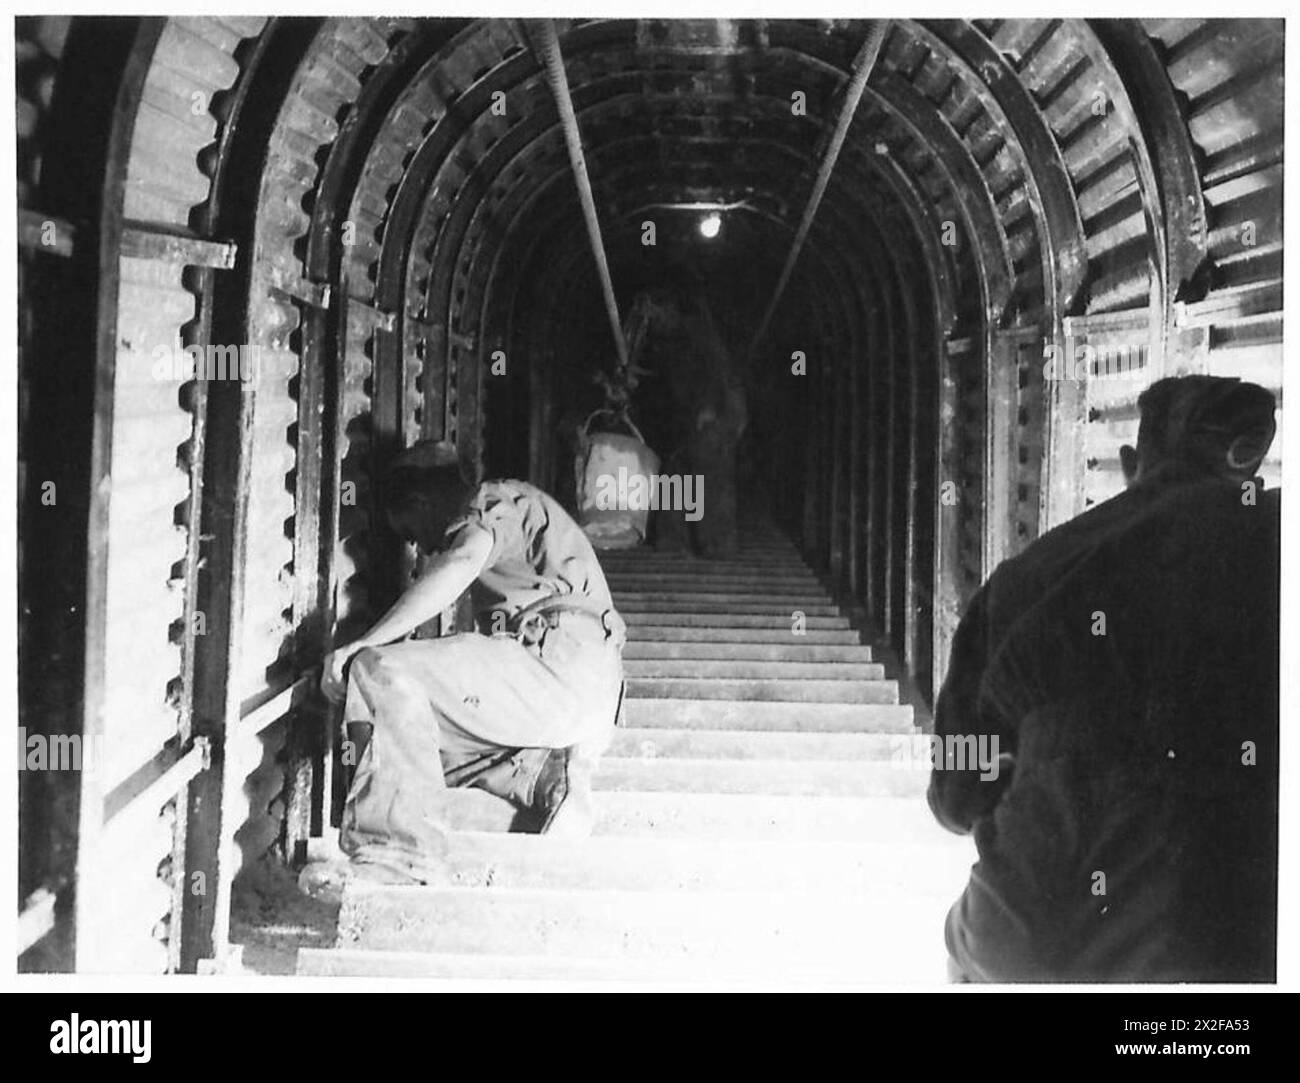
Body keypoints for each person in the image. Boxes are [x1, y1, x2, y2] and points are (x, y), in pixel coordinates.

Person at [930, 375, 1280, 982]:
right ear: (1252, 477)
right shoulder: (1275, 544)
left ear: (1127, 464)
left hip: (1065, 929)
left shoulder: (1024, 581)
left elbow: (958, 798)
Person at [311, 442, 626, 889]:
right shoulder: (516, 543)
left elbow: (460, 561)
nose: (420, 551)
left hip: (558, 665)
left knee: (376, 668)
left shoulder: (493, 500)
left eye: (412, 536)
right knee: (406, 750)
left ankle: (399, 857)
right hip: (577, 696)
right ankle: (541, 778)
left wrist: (362, 644)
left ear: (422, 501)